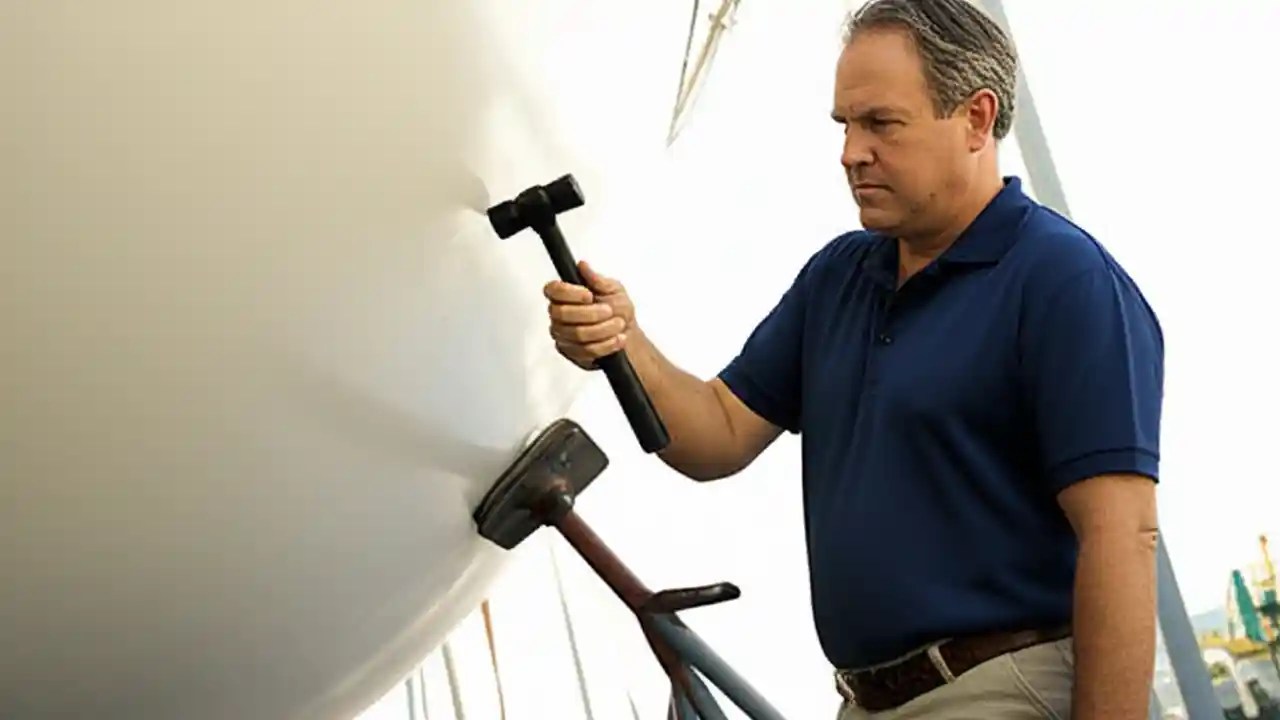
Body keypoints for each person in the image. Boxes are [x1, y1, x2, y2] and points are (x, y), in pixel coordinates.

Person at [543, 0, 1164, 717]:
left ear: (976, 118)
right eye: (845, 125)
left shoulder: (1063, 280)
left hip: (1003, 689)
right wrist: (622, 339)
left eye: (881, 124)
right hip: (864, 700)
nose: (851, 152)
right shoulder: (838, 276)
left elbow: (1123, 536)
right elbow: (717, 433)